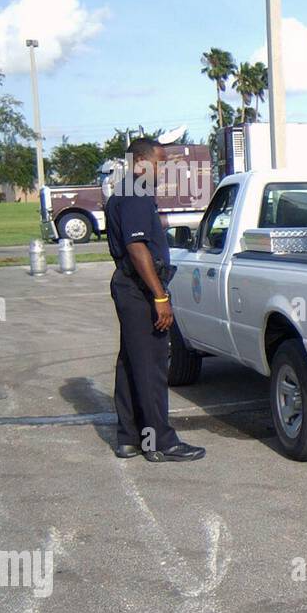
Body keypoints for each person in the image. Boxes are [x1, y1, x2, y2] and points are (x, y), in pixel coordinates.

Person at [106, 138, 205, 462]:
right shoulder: (135, 193)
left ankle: (130, 437)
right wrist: (160, 296)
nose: (163, 171)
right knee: (151, 365)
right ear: (141, 161)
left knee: (132, 362)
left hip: (131, 286)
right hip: (140, 290)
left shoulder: (126, 191)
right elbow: (137, 249)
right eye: (160, 163)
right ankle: (160, 441)